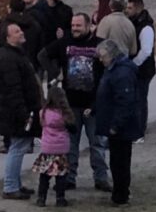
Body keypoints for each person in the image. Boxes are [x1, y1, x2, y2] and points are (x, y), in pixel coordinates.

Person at [46, 12, 112, 192]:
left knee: (97, 144)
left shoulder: (99, 44)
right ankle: (69, 178)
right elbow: (42, 55)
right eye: (73, 25)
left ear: (89, 26)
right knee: (70, 144)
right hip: (70, 104)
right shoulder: (64, 42)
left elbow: (112, 65)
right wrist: (55, 72)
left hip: (93, 104)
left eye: (78, 26)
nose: (74, 29)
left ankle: (101, 178)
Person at [0, 18, 41, 199]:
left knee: (19, 146)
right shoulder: (8, 58)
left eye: (20, 30)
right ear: (7, 38)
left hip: (20, 109)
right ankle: (10, 187)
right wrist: (24, 114)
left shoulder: (17, 53)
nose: (21, 33)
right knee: (17, 147)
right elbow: (14, 89)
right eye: (16, 32)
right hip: (15, 112)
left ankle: (16, 183)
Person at [94, 38, 142, 207]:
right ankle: (119, 193)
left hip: (121, 128)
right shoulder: (113, 69)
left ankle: (121, 195)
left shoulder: (122, 73)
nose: (100, 60)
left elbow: (125, 102)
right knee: (116, 161)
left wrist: (115, 125)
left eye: (102, 56)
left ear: (111, 55)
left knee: (120, 162)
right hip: (115, 124)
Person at [32, 83, 74, 207]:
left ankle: (41, 198)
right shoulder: (64, 114)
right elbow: (73, 128)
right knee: (61, 175)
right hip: (61, 149)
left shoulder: (43, 113)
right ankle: (60, 198)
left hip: (47, 148)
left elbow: (41, 125)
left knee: (44, 175)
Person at [124, 0, 156, 136]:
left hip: (143, 69)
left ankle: (139, 130)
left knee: (139, 100)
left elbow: (146, 51)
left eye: (130, 8)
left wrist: (133, 65)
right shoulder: (134, 23)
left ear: (138, 9)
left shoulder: (145, 27)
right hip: (137, 68)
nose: (127, 10)